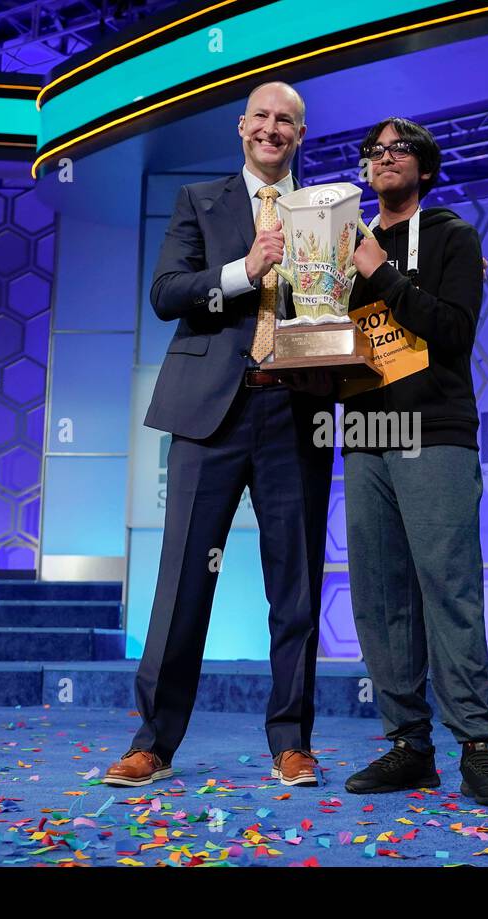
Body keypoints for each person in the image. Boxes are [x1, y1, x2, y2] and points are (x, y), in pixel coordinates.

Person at [103, 81, 334, 789]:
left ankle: (291, 741)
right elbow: (168, 291)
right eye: (262, 117)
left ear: (300, 134)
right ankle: (153, 742)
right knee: (181, 583)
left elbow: (343, 309)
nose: (273, 129)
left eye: (286, 121)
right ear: (242, 128)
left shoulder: (327, 211)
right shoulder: (200, 201)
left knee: (294, 585)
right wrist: (243, 271)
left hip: (296, 413)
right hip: (209, 413)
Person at [340, 118, 488, 807]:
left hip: (434, 430)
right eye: (374, 152)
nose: (384, 159)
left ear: (425, 165)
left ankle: (476, 746)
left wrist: (378, 273)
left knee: (448, 585)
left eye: (399, 150)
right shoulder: (343, 247)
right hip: (363, 431)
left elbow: (452, 331)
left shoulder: (452, 237)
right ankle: (408, 747)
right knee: (380, 596)